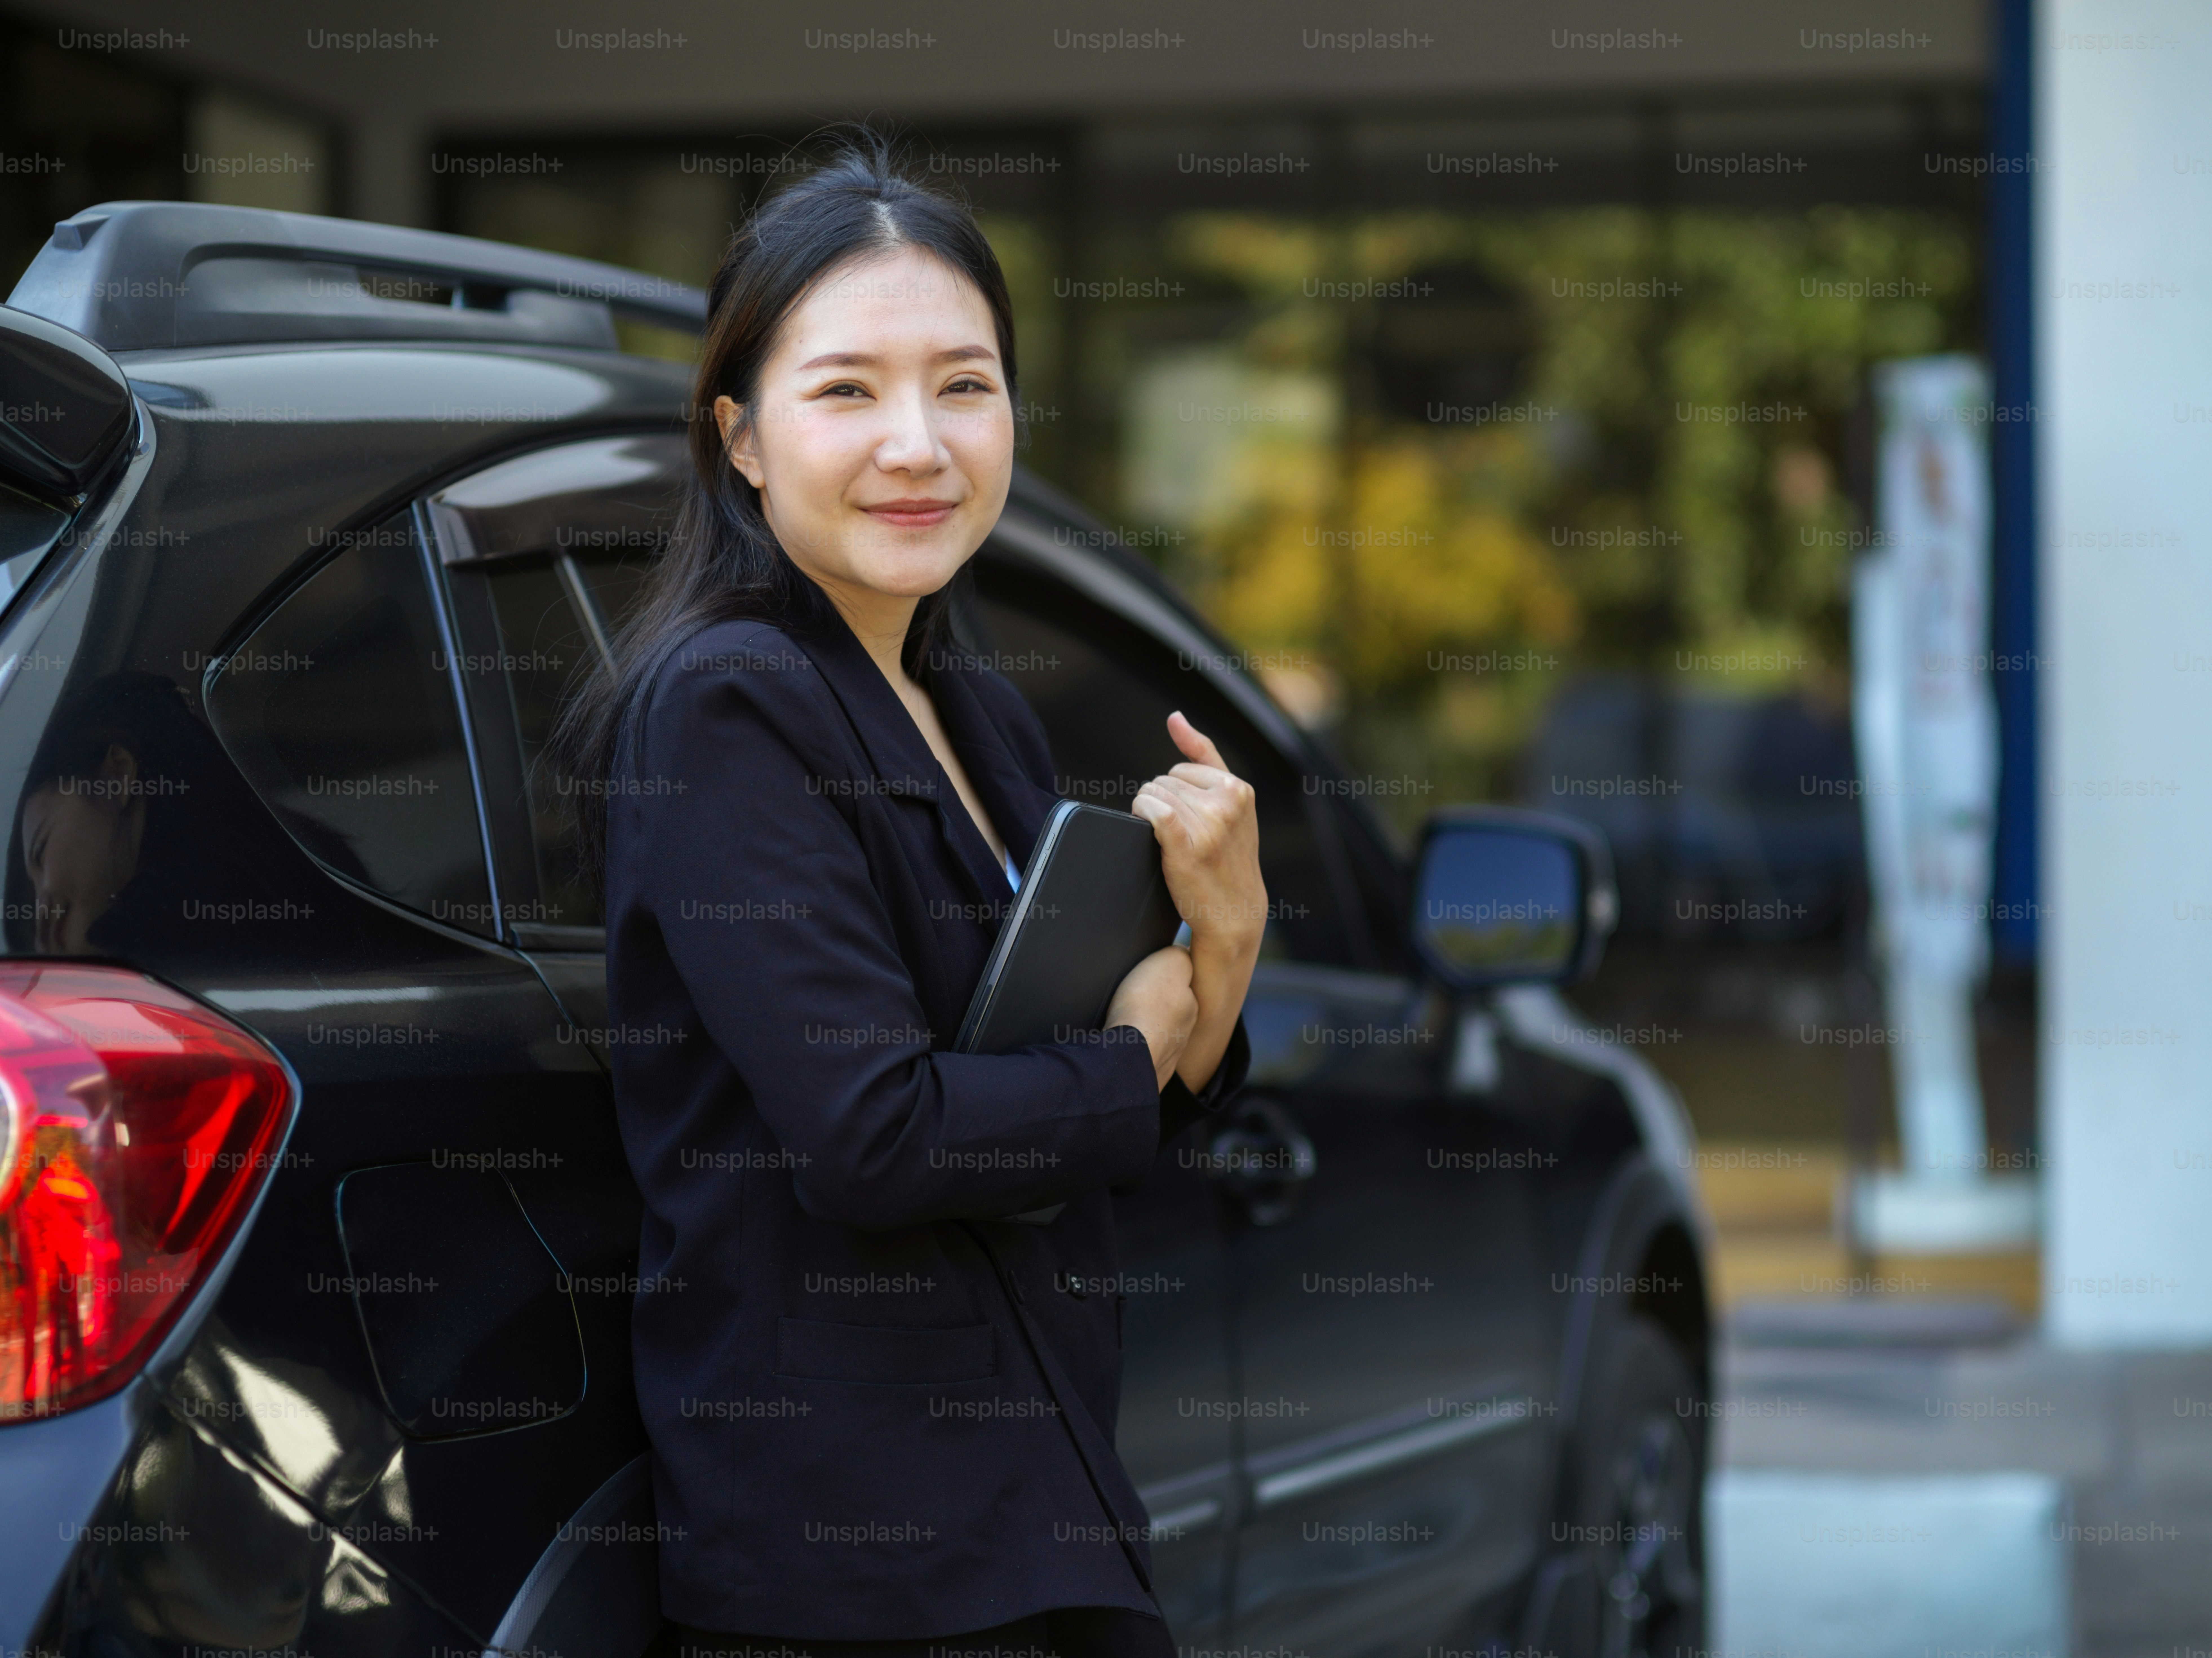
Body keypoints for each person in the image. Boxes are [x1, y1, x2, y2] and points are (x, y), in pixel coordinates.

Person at [554, 132, 1265, 1658]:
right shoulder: (728, 703)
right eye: (846, 390)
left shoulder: (976, 709)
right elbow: (878, 1138)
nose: (919, 443)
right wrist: (1137, 1054)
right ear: (741, 439)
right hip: (859, 1565)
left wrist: (1230, 937)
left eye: (964, 384)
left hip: (1032, 1499)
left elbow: (1072, 1114)